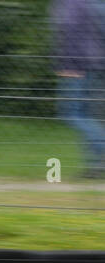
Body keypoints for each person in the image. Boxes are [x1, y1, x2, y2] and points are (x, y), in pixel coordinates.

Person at [50, 0, 105, 178]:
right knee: (87, 115)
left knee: (73, 114)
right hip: (94, 62)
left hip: (78, 64)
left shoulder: (71, 2)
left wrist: (70, 65)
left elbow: (70, 29)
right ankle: (96, 167)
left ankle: (101, 155)